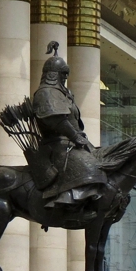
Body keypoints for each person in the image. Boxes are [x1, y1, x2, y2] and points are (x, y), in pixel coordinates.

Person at [28, 43, 106, 209]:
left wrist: (79, 137)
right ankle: (64, 199)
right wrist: (75, 136)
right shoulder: (46, 92)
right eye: (62, 74)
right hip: (55, 145)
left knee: (102, 161)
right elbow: (55, 119)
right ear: (52, 74)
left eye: (66, 75)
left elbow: (74, 120)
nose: (64, 78)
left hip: (71, 142)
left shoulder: (65, 94)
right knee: (84, 164)